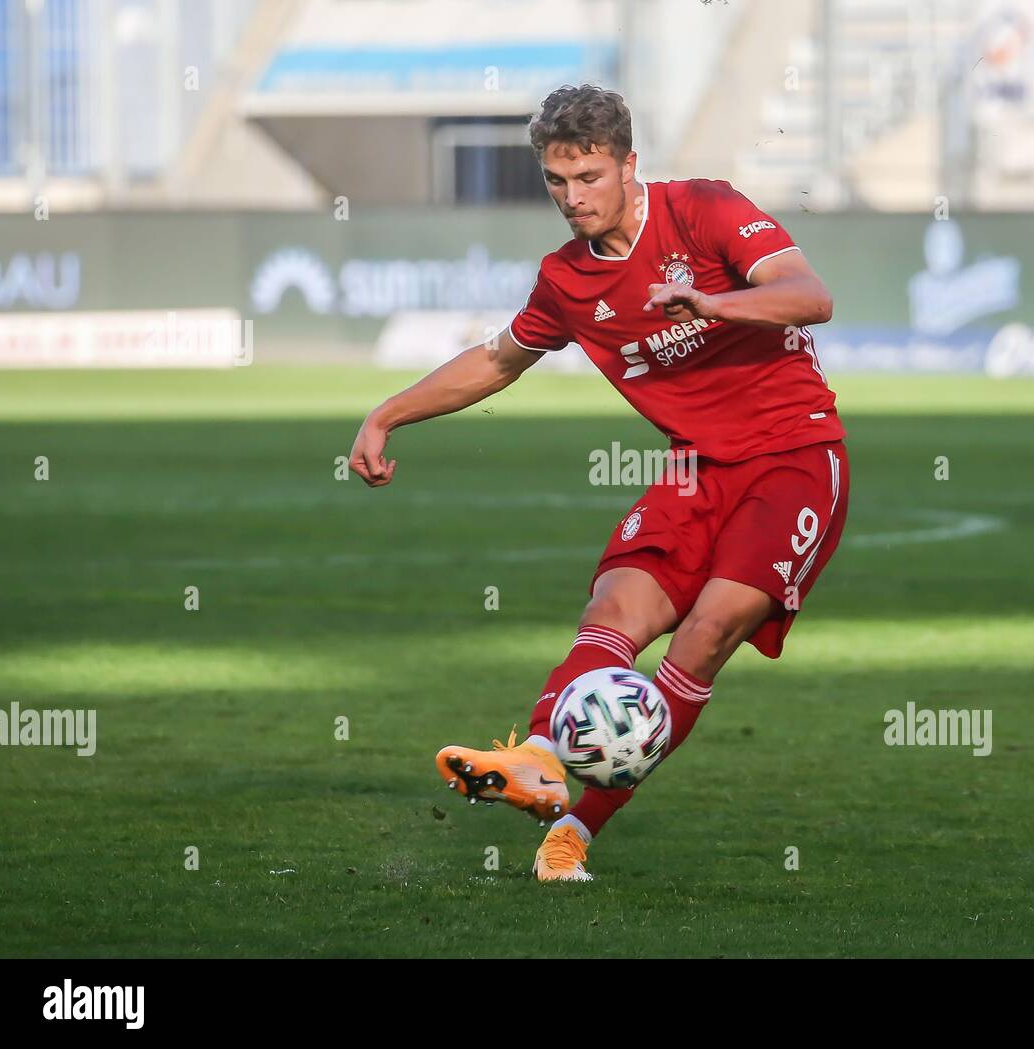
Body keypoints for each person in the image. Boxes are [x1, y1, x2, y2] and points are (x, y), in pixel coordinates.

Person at [349, 84, 849, 882]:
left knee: (705, 634)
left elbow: (811, 295)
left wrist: (712, 302)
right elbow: (497, 359)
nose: (572, 198)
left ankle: (574, 833)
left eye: (589, 177)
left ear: (628, 165)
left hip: (793, 459)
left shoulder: (706, 210)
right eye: (556, 180)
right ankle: (540, 758)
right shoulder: (566, 278)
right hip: (695, 467)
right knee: (612, 611)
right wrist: (387, 413)